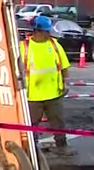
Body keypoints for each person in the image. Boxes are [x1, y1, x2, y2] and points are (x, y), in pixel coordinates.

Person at [23, 15, 71, 152]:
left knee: (58, 123)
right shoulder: (24, 47)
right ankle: (31, 150)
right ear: (38, 31)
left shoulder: (54, 45)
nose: (48, 34)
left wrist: (66, 83)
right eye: (46, 31)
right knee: (32, 125)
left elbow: (64, 67)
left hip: (54, 94)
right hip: (33, 96)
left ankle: (62, 146)